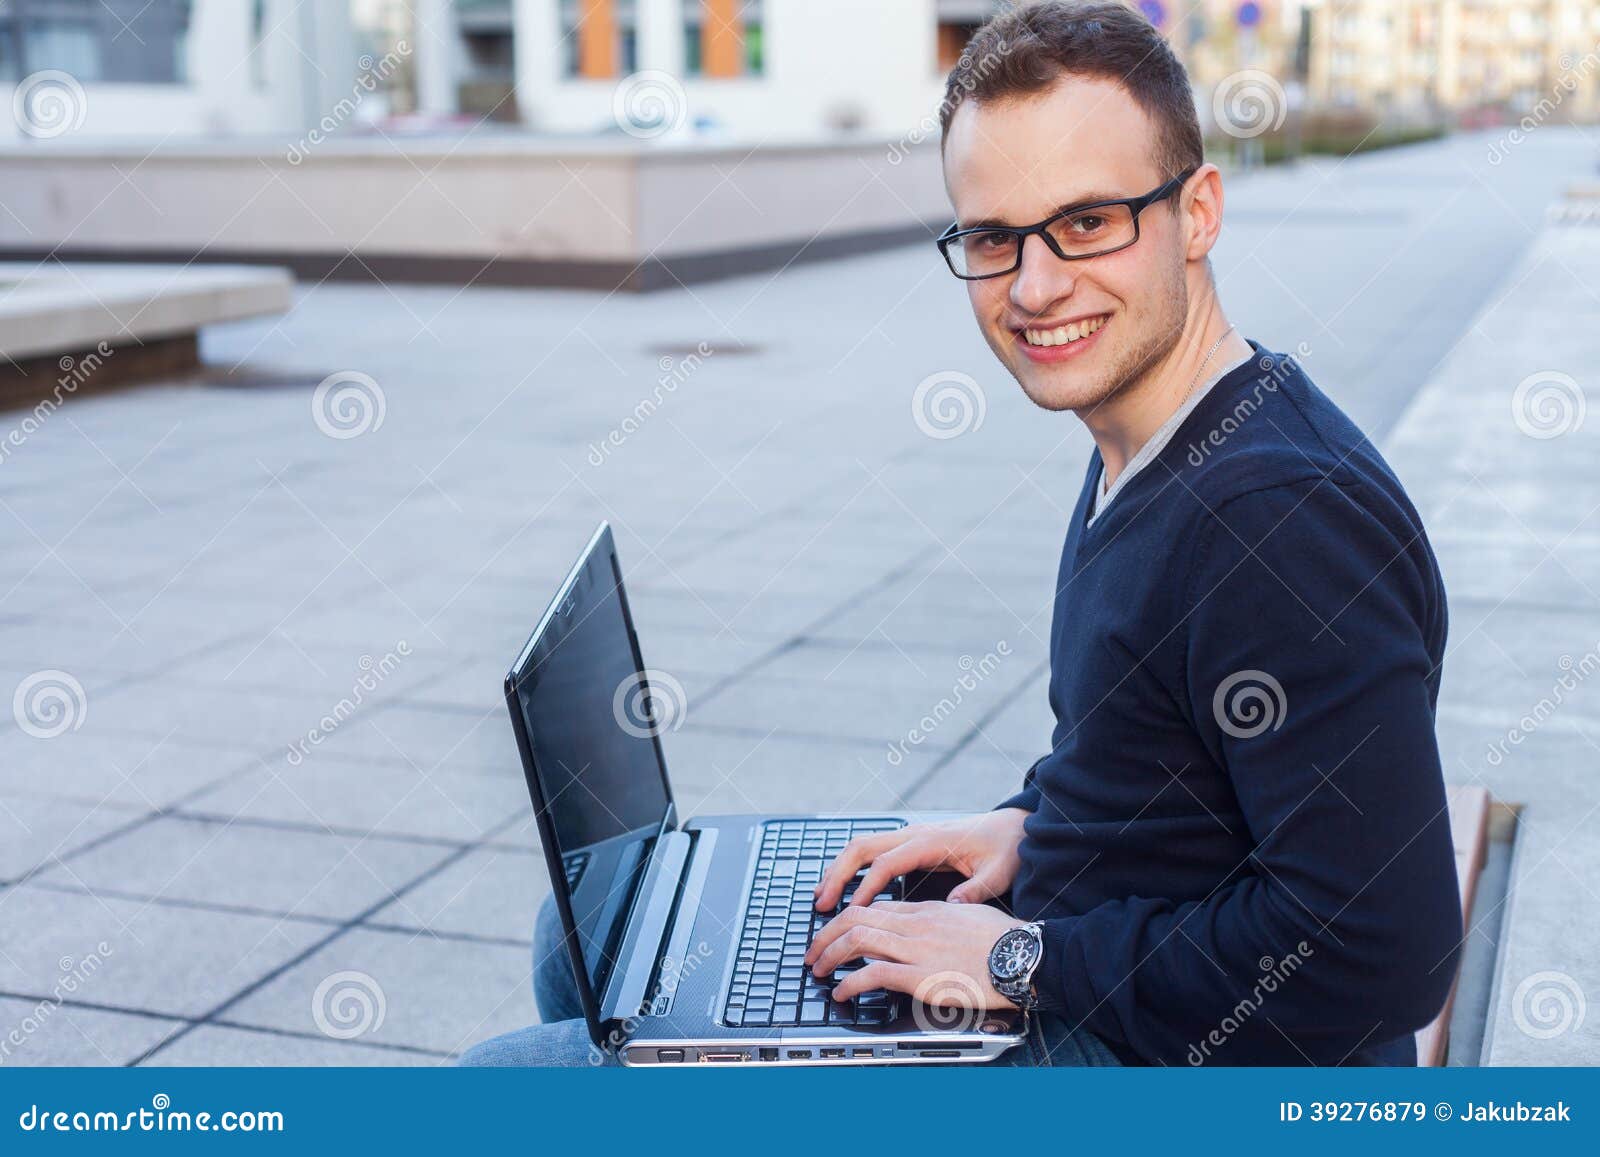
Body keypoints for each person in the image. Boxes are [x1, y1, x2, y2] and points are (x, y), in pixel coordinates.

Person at [462, 0, 1460, 1068]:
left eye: (1087, 223)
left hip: (1177, 1060)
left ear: (1199, 210)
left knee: (504, 1082)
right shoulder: (1160, 431)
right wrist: (1030, 824)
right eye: (994, 237)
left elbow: (1384, 950)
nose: (1034, 288)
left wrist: (1016, 958)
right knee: (588, 945)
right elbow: (1172, 756)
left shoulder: (1273, 522)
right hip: (1110, 956)